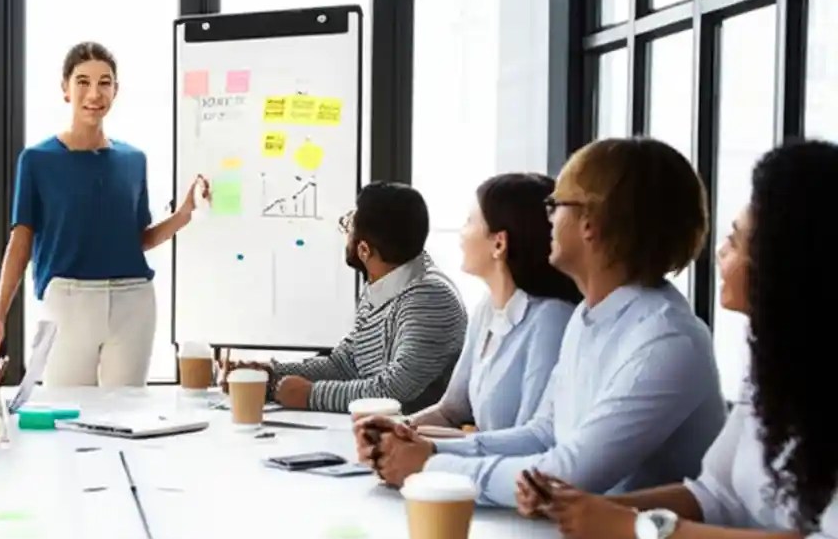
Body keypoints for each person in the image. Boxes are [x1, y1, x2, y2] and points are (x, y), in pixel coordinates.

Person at [529, 141, 838, 539]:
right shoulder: (775, 365)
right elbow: (716, 495)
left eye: (735, 240)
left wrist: (640, 529)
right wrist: (591, 510)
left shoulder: (669, 338)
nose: (719, 253)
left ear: (786, 264)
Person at [356, 138, 725, 505]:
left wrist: (430, 466)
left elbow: (567, 474)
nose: (546, 219)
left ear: (590, 223)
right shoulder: (588, 317)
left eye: (555, 205)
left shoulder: (666, 341)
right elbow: (544, 433)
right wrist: (425, 447)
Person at [0, 41, 208, 387]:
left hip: (134, 302)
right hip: (68, 302)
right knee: (66, 415)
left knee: (125, 417)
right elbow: (21, 241)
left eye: (105, 82)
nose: (94, 93)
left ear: (116, 90)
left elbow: (137, 239)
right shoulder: (38, 160)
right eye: (83, 81)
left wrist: (184, 214)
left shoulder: (134, 160)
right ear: (65, 89)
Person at [229, 181, 468, 414]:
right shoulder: (383, 283)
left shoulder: (429, 297)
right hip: (376, 432)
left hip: (415, 441)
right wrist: (272, 372)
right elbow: (346, 364)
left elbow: (396, 389)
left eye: (349, 225)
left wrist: (312, 395)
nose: (345, 232)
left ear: (364, 250)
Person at [404, 173, 580, 435]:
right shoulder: (487, 308)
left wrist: (425, 446)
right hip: (478, 463)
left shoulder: (552, 320)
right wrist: (398, 429)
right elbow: (451, 412)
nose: (461, 234)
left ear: (499, 243)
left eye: (469, 222)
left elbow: (531, 440)